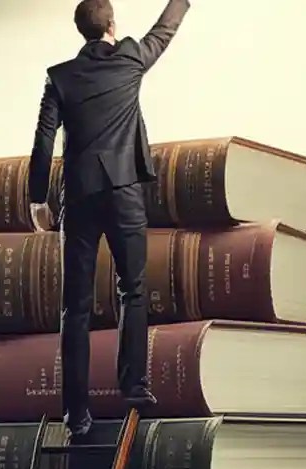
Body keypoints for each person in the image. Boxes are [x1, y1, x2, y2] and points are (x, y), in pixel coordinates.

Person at [27, 0, 191, 436]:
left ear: (82, 31)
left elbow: (44, 139)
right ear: (112, 27)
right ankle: (133, 386)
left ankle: (76, 412)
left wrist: (37, 199)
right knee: (133, 289)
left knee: (74, 308)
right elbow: (165, 30)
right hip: (124, 193)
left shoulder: (60, 77)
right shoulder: (131, 59)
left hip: (79, 198)